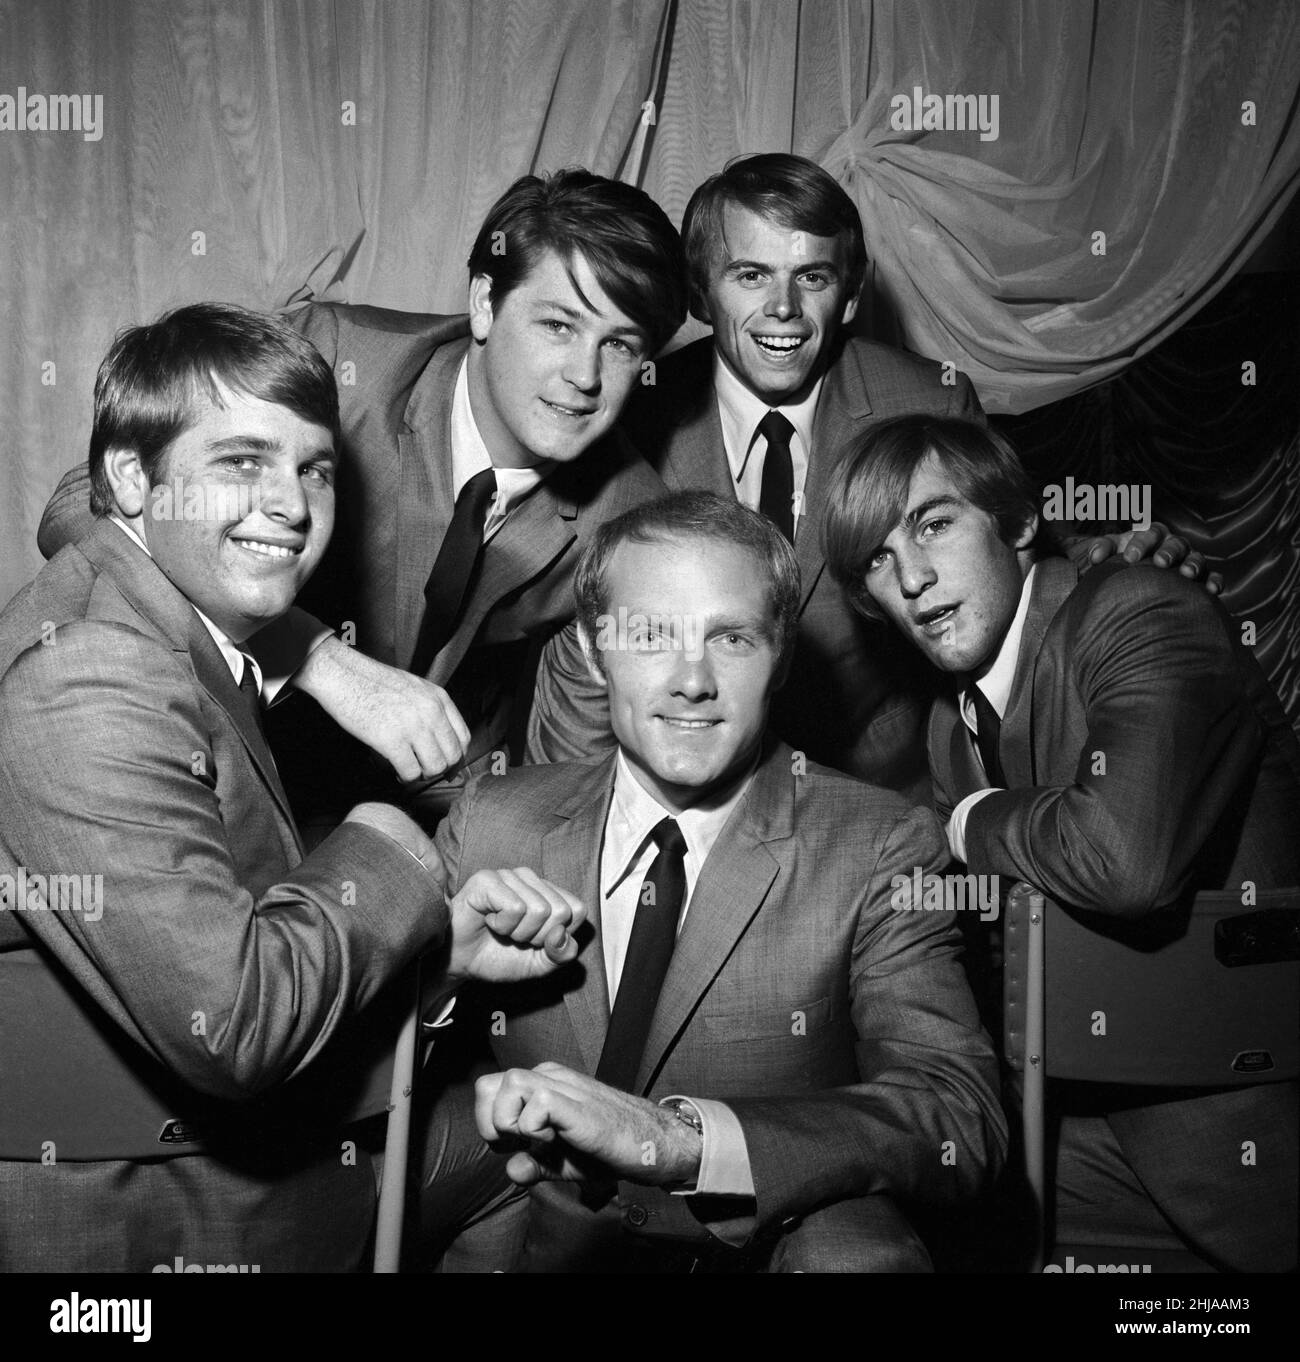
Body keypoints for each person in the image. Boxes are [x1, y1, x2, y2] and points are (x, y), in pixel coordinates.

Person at [0, 303, 584, 1272]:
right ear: (133, 481)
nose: (292, 504)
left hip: (193, 1153)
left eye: (312, 468)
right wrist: (393, 850)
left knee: (533, 1157)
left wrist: (434, 956)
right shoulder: (92, 674)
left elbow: (213, 937)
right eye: (240, 463)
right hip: (137, 1209)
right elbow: (231, 1028)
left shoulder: (163, 620)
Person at [529, 153, 1213, 796]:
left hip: (878, 800)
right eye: (751, 275)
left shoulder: (928, 399)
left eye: (813, 277)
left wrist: (1107, 565)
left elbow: (1004, 547)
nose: (784, 308)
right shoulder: (628, 407)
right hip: (672, 790)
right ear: (703, 294)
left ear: (850, 296)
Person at [448, 491, 1007, 1272]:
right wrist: (438, 973)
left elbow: (958, 1116)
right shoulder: (493, 821)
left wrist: (682, 1145)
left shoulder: (878, 846)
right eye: (650, 636)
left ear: (780, 656)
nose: (692, 681)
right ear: (590, 646)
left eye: (733, 638)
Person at [37, 169, 687, 830]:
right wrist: (314, 655)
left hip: (422, 798)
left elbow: (566, 769)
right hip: (210, 760)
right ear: (486, 303)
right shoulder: (332, 363)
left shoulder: (632, 520)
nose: (583, 376)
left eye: (618, 345)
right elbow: (79, 514)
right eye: (557, 325)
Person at [822, 414, 1300, 1272]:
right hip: (1060, 1147)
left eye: (934, 524)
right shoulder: (946, 722)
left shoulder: (1137, 606)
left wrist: (967, 822)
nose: (915, 579)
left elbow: (1124, 864)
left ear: (1015, 520)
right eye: (879, 561)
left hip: (1238, 1153)